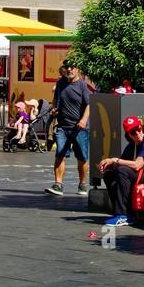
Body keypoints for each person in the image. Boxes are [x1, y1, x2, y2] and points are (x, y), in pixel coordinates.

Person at [98, 116, 144, 228]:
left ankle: (122, 215)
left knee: (122, 171)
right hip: (137, 175)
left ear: (142, 128)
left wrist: (116, 160)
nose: (137, 133)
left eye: (138, 129)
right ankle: (122, 213)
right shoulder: (131, 146)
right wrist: (108, 164)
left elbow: (137, 165)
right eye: (133, 132)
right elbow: (120, 164)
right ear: (128, 135)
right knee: (109, 174)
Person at [49, 62, 91, 196]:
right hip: (62, 126)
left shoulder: (82, 85)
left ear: (77, 69)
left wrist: (83, 120)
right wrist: (54, 109)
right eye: (66, 67)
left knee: (82, 157)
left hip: (79, 128)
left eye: (72, 67)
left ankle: (83, 184)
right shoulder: (61, 83)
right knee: (60, 154)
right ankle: (58, 185)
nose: (69, 69)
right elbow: (55, 99)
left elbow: (89, 105)